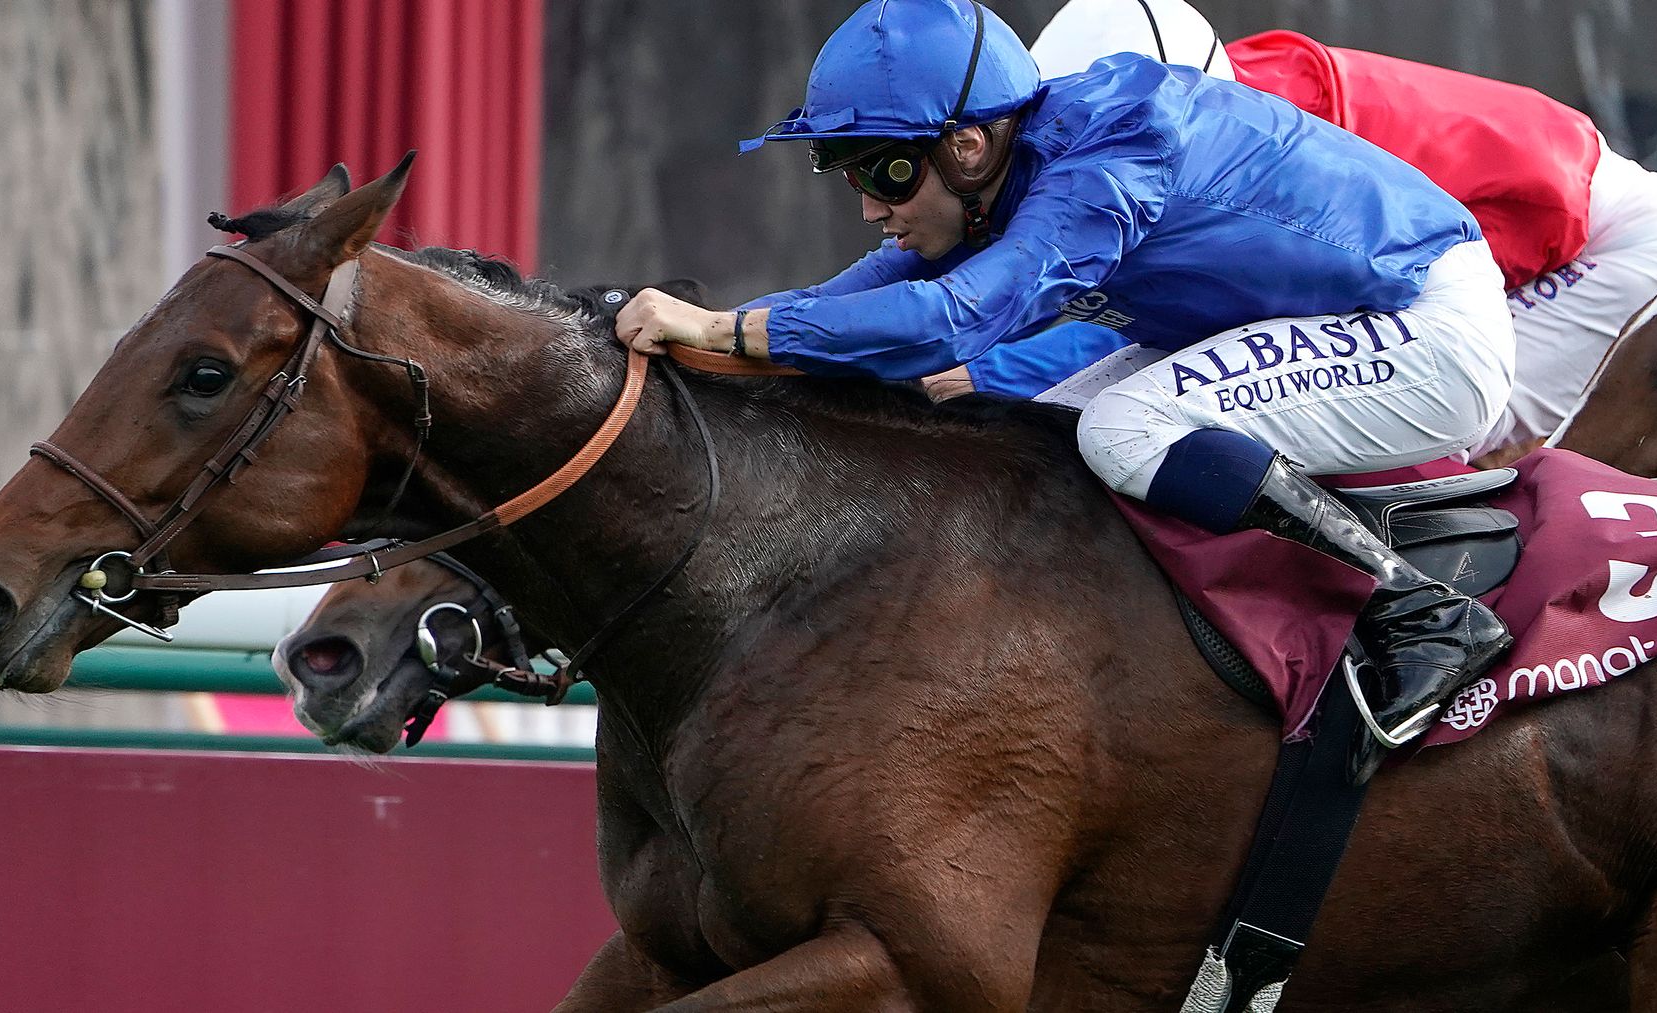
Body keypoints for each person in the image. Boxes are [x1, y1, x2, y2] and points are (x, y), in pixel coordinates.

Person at [613, 0, 1516, 749]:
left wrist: (734, 330)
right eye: (845, 169)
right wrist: (724, 341)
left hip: (1423, 323)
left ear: (968, 144)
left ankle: (1420, 609)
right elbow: (872, 287)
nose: (868, 204)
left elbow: (958, 318)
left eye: (882, 169)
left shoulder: (1111, 151)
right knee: (1022, 421)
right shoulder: (1010, 166)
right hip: (1321, 318)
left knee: (1123, 429)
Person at [1020, 0, 1657, 463]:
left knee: (1414, 405)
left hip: (1609, 240)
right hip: (1560, 217)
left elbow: (1539, 202)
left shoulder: (1258, 139)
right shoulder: (1210, 113)